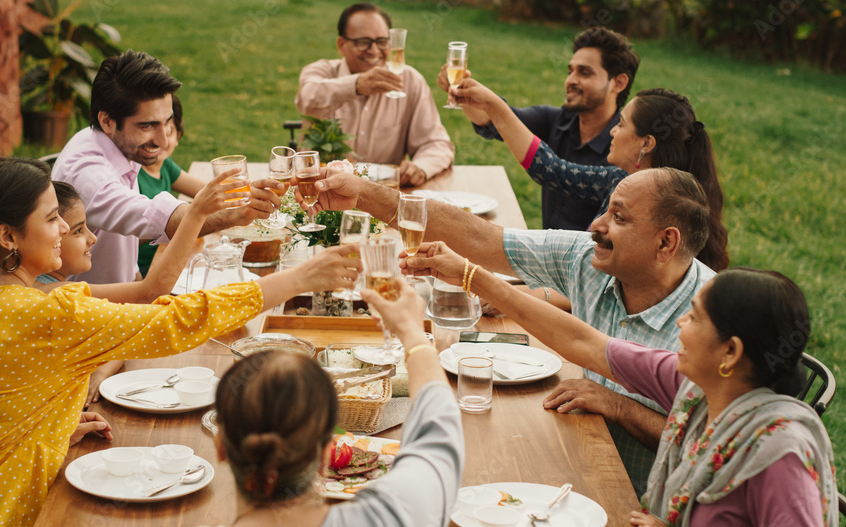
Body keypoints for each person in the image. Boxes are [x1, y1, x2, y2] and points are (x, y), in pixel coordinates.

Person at [0, 157, 362, 526]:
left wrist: (45, 433)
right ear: (8, 236)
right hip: (4, 511)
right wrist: (297, 278)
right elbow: (174, 321)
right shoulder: (46, 313)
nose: (67, 230)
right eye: (52, 219)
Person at [299, 166, 715, 496]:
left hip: (650, 503)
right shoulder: (588, 256)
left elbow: (714, 447)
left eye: (618, 217)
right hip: (580, 460)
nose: (596, 224)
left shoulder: (714, 325)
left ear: (666, 243)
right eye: (606, 209)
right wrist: (365, 194)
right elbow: (480, 237)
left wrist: (621, 408)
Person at [407, 242, 838, 525]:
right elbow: (583, 342)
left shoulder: (779, 456)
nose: (680, 327)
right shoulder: (694, 387)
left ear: (731, 353)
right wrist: (471, 275)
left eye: (694, 318)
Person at [214, 277, 462, 526]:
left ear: (220, 446)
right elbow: (438, 436)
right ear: (325, 454)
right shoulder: (392, 517)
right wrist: (413, 334)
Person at [52, 49, 282, 284]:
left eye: (167, 122)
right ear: (107, 121)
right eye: (148, 125)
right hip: (89, 313)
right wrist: (234, 214)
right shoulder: (88, 175)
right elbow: (155, 216)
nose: (162, 142)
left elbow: (126, 253)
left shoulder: (117, 145)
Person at [452, 81, 729, 272]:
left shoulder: (662, 210)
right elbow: (553, 171)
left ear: (646, 143)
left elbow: (601, 284)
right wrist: (493, 107)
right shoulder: (619, 180)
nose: (613, 131)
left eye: (621, 125)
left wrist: (494, 105)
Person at [36, 175, 238, 407]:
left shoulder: (53, 287)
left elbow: (122, 337)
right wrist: (196, 214)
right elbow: (149, 293)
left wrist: (101, 372)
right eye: (78, 231)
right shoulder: (51, 293)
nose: (93, 239)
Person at [438, 27, 639, 231]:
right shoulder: (555, 120)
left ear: (618, 82)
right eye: (570, 71)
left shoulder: (624, 152)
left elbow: (549, 168)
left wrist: (492, 104)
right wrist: (464, 96)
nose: (570, 81)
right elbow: (496, 122)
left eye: (584, 73)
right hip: (544, 253)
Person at [295, 2, 455, 186]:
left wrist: (421, 167)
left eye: (382, 42)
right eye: (363, 42)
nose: (374, 50)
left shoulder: (409, 81)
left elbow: (437, 144)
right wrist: (357, 85)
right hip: (322, 191)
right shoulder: (320, 72)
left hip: (382, 196)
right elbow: (308, 96)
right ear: (341, 45)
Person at [136, 94, 204, 277]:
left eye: (168, 133)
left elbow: (202, 190)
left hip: (162, 255)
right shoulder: (135, 176)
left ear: (178, 136)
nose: (161, 141)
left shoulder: (165, 165)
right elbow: (133, 234)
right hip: (143, 269)